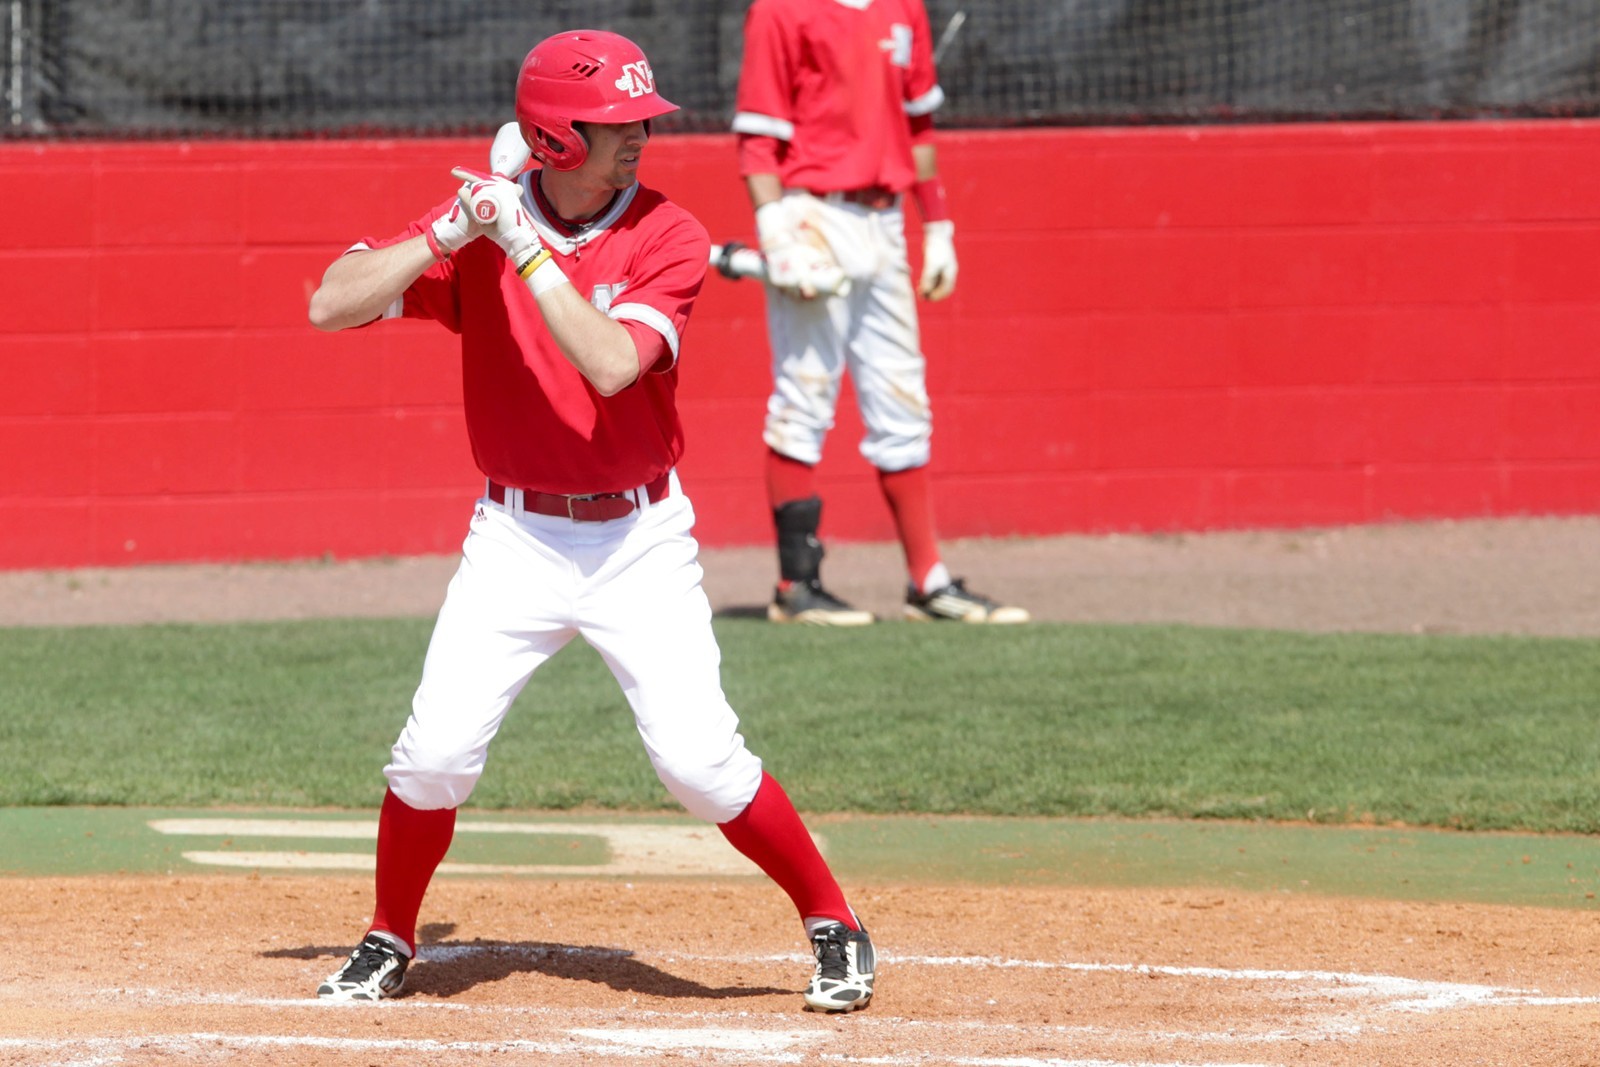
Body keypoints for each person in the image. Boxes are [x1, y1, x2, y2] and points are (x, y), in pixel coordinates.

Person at [306, 29, 875, 1015]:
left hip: (636, 539)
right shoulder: (477, 225)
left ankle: (834, 918)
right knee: (433, 753)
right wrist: (448, 235)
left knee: (699, 762)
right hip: (515, 535)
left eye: (640, 120)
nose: (640, 137)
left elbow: (611, 363)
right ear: (555, 139)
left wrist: (519, 246)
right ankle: (389, 935)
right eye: (616, 124)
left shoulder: (670, 234)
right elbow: (330, 305)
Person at [730, 0, 1029, 627]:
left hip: (886, 219)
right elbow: (757, 138)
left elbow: (918, 127)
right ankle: (797, 585)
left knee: (903, 399)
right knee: (804, 398)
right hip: (812, 215)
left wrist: (939, 224)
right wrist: (775, 226)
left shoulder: (903, 8)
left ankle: (929, 581)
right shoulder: (781, 10)